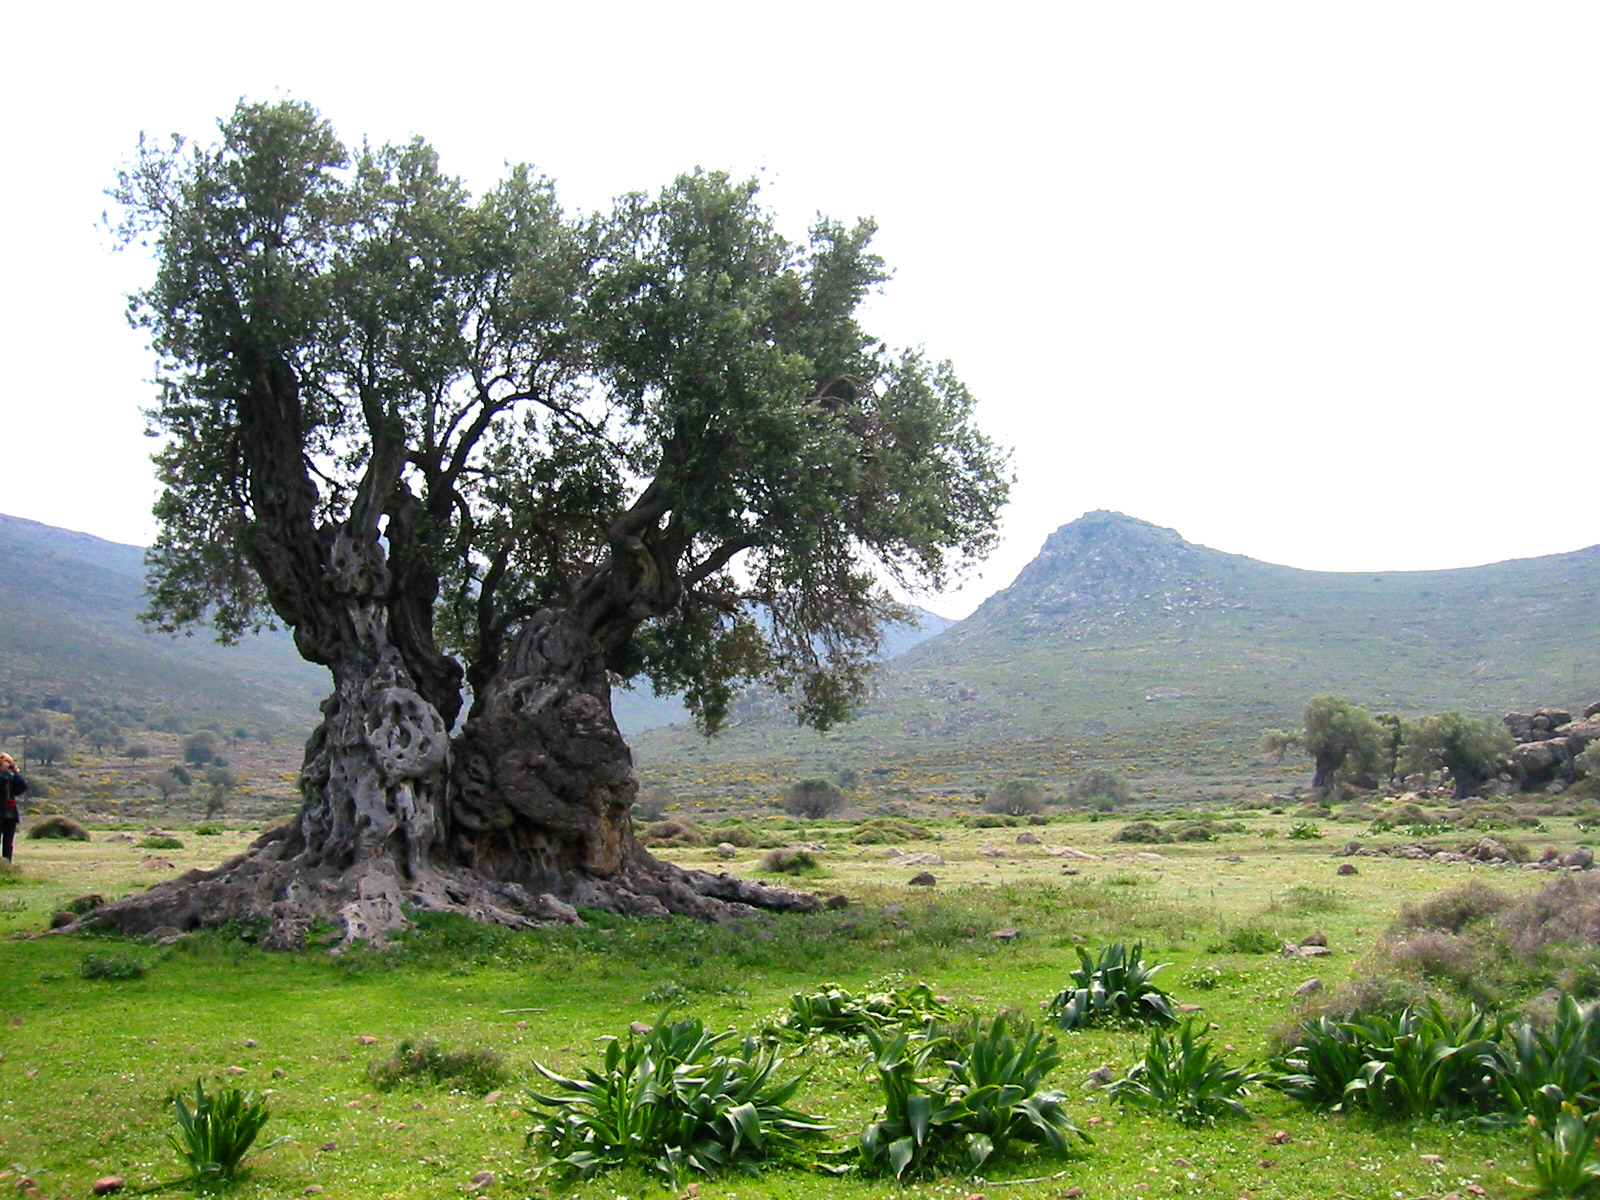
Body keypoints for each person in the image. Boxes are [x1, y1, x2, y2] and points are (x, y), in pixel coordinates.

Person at [0, 752, 28, 862]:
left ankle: (6, 865)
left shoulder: (10, 778)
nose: (8, 764)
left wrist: (16, 773)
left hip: (10, 815)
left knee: (8, 843)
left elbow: (23, 787)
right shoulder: (4, 778)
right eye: (6, 762)